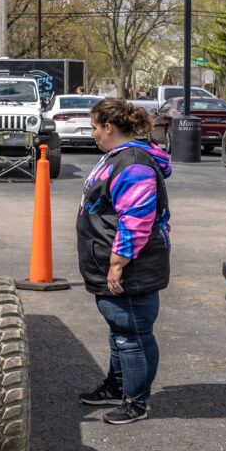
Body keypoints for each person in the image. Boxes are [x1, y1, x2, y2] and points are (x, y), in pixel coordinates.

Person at [77, 98, 172, 425]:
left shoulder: (133, 162)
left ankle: (136, 402)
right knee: (121, 331)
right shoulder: (117, 158)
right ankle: (117, 387)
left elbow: (136, 220)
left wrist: (118, 263)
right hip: (111, 263)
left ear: (109, 127)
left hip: (132, 268)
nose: (92, 134)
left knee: (133, 334)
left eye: (94, 128)